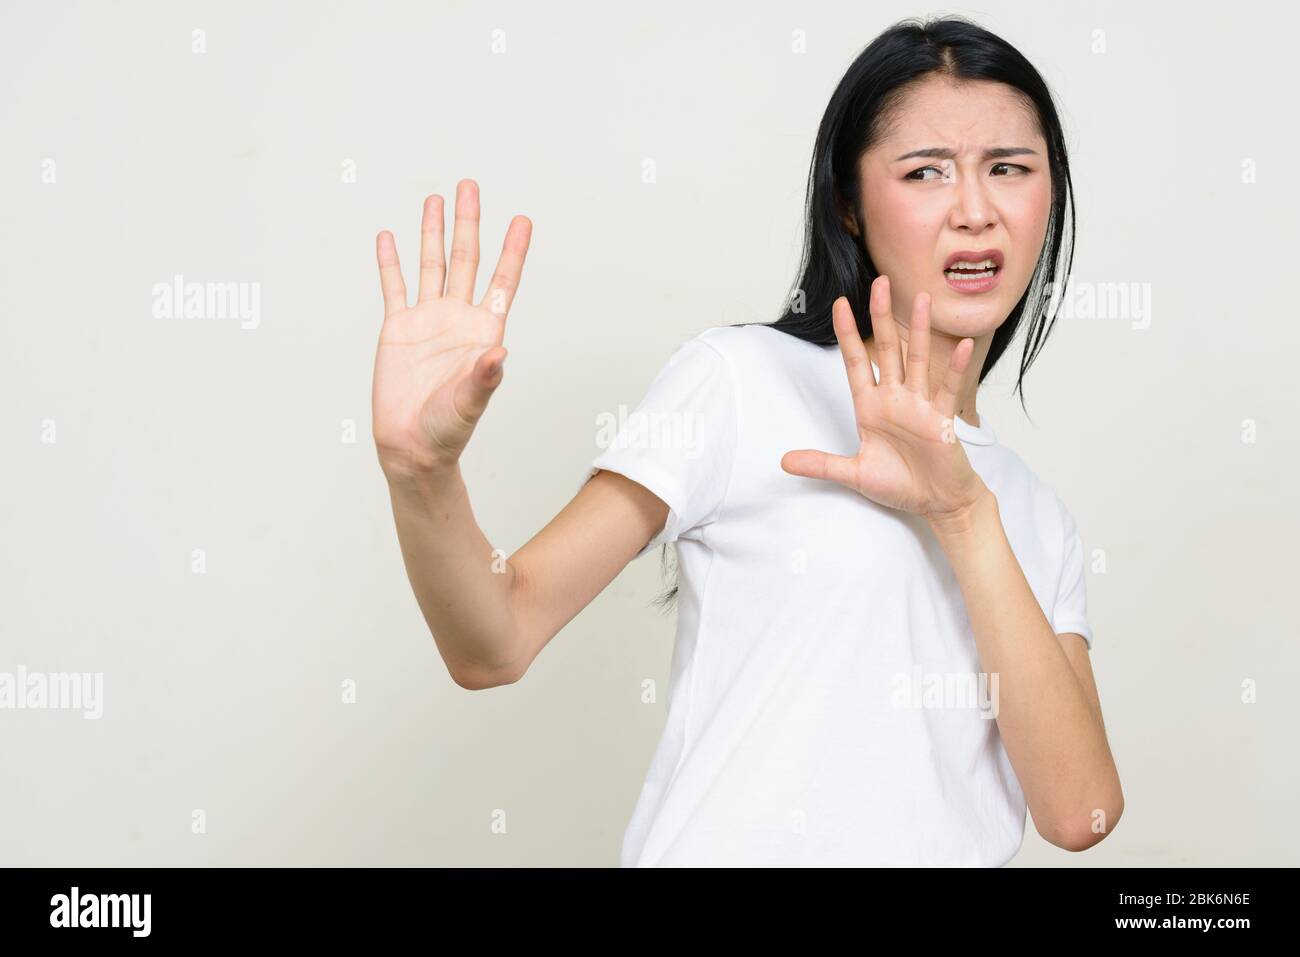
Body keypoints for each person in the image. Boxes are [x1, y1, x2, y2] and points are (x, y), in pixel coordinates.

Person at [369, 15, 1123, 867]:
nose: (976, 211)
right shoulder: (740, 380)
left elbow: (1080, 814)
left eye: (1009, 169)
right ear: (849, 201)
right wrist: (420, 475)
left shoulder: (1033, 514)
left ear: (1048, 194)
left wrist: (961, 511)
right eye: (926, 173)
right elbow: (494, 640)